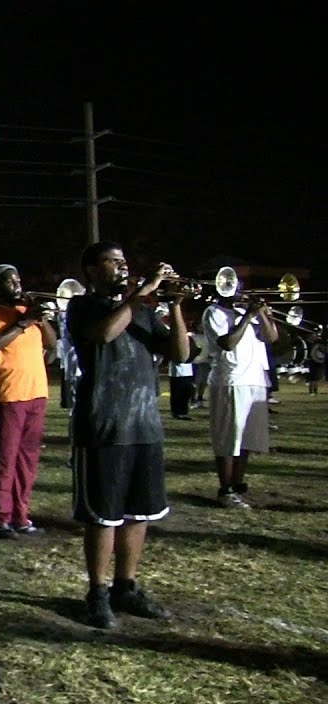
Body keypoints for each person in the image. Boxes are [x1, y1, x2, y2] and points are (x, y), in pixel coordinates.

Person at [67, 242, 187, 629]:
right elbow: (104, 335)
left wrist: (176, 306)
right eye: (112, 261)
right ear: (91, 270)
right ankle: (97, 594)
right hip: (103, 425)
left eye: (123, 260)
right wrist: (142, 294)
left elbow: (180, 354)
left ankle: (126, 587)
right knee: (103, 516)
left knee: (140, 513)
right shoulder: (82, 306)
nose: (121, 266)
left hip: (145, 424)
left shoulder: (143, 310)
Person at [0, 264, 56, 539]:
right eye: (8, 281)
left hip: (35, 393)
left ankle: (21, 516)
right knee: (4, 460)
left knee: (27, 461)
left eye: (18, 279)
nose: (16, 284)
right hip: (5, 396)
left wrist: (40, 319)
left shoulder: (27, 313)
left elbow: (53, 346)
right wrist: (22, 322)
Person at [202, 285, 278, 508]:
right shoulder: (213, 312)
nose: (239, 292)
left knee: (247, 440)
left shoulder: (249, 313)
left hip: (256, 379)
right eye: (233, 287)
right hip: (231, 379)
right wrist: (248, 315)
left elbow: (272, 338)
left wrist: (263, 315)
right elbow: (227, 343)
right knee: (229, 438)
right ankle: (225, 490)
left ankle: (237, 485)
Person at [168, 329, 197, 420]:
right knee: (177, 393)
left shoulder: (190, 338)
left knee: (186, 392)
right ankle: (177, 412)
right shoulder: (173, 339)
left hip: (187, 370)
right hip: (176, 371)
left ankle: (183, 412)